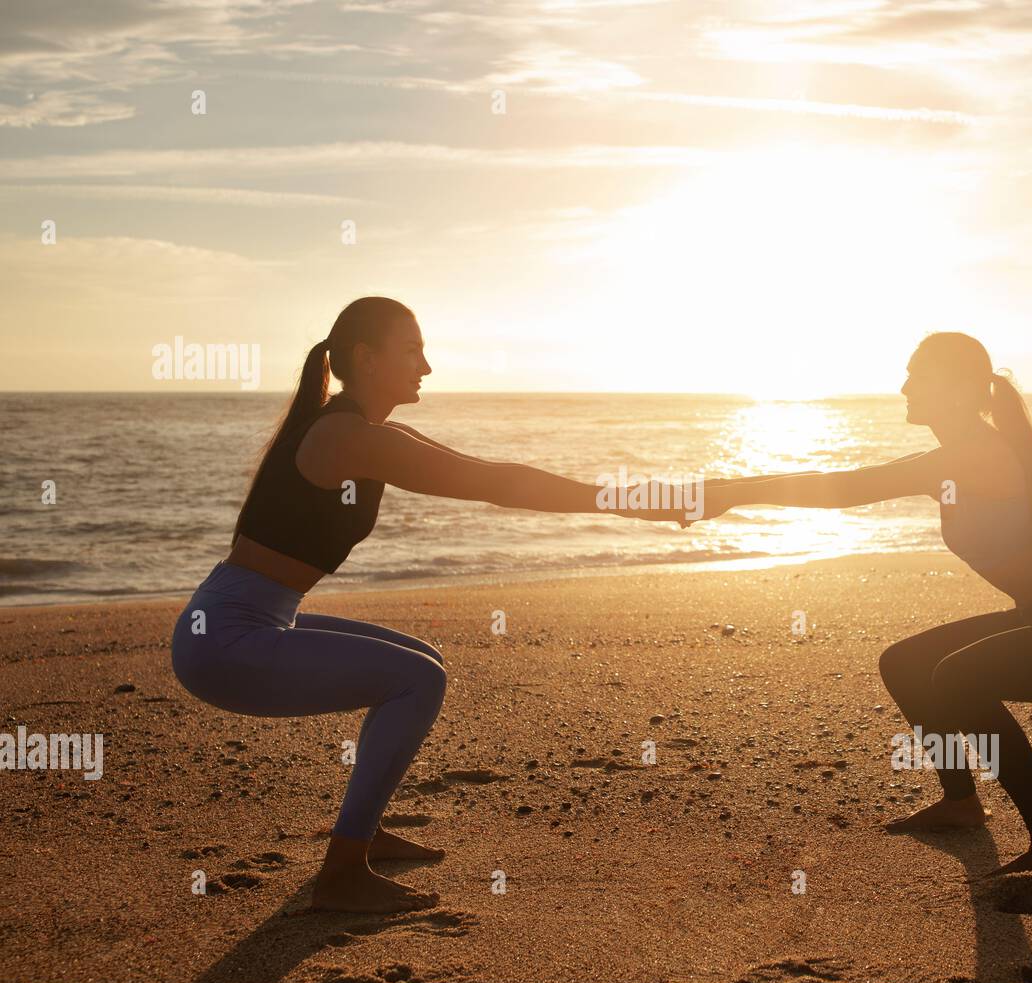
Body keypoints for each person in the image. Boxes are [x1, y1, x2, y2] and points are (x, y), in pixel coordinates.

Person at [171, 296, 685, 913]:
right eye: (412, 350)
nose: (427, 366)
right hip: (226, 642)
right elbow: (496, 485)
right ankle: (341, 873)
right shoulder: (347, 437)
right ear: (367, 358)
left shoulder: (366, 433)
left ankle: (365, 834)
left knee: (420, 657)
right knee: (416, 680)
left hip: (244, 618)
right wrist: (629, 502)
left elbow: (482, 468)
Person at [702, 332, 1032, 876]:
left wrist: (731, 492)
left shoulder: (975, 454)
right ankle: (961, 804)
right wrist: (730, 489)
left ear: (955, 389)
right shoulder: (955, 457)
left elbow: (844, 488)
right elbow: (848, 481)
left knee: (958, 679)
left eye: (917, 375)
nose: (904, 386)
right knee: (905, 664)